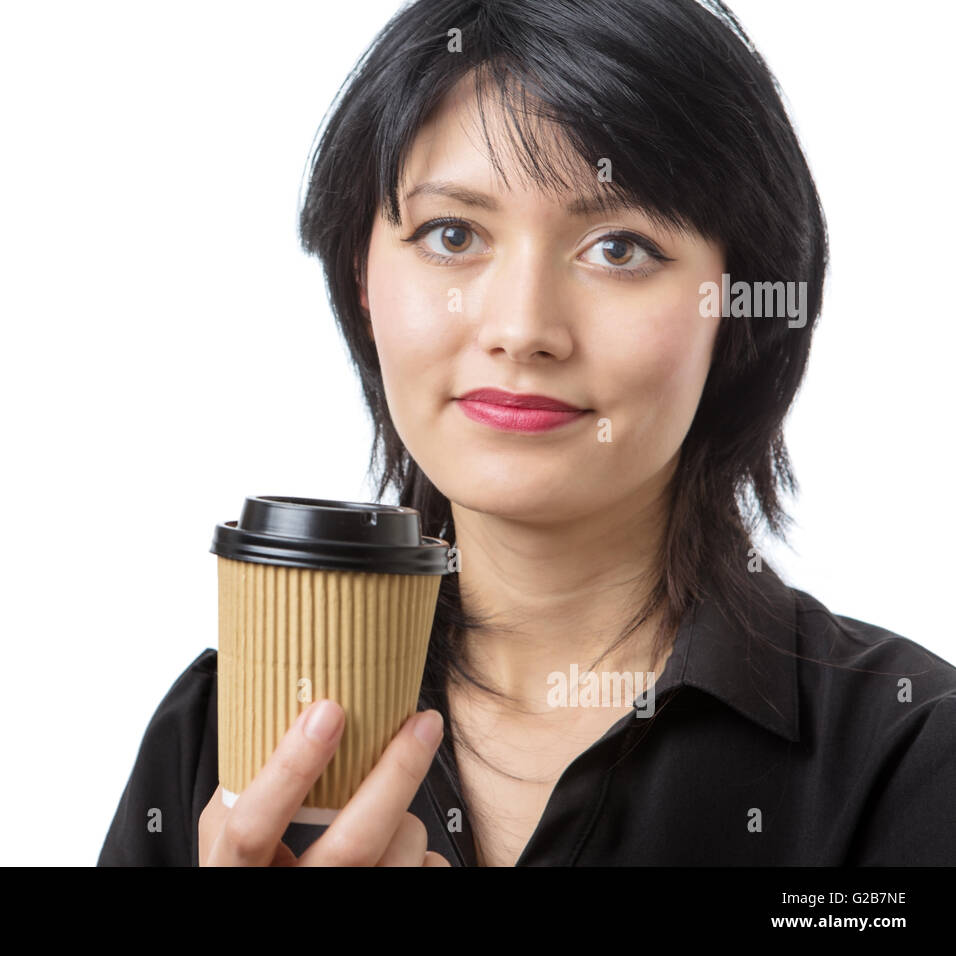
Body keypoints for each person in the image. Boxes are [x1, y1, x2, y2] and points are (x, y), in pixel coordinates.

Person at [97, 0, 956, 866]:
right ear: (362, 274)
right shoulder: (219, 734)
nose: (521, 327)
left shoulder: (910, 758)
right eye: (452, 233)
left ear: (736, 307)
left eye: (619, 248)